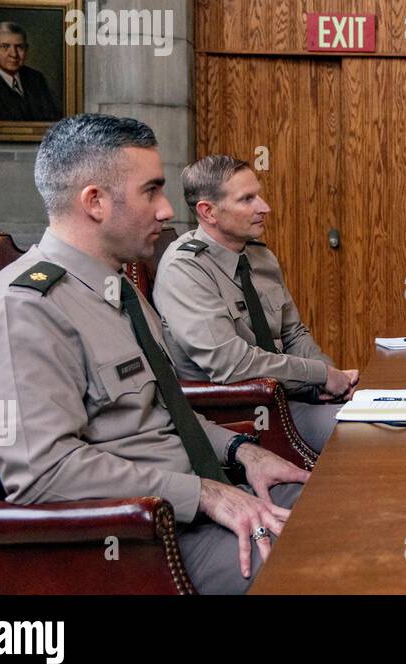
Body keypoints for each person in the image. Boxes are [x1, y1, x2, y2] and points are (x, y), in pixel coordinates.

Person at [0, 114, 309, 594]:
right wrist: (203, 494)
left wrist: (241, 450)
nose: (166, 211)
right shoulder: (23, 310)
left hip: (198, 499)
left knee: (346, 507)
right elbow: (44, 474)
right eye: (152, 191)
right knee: (329, 565)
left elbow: (166, 413)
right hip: (142, 541)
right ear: (95, 202)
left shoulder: (116, 287)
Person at [153, 155, 358, 453]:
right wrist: (321, 376)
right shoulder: (184, 269)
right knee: (368, 436)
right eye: (247, 199)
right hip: (239, 412)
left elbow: (293, 333)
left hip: (288, 397)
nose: (264, 207)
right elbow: (232, 365)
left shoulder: (259, 255)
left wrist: (330, 384)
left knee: (390, 422)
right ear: (208, 211)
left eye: (258, 195)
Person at [0, 21, 62, 121]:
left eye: (19, 47)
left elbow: (52, 122)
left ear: (26, 48)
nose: (14, 54)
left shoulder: (36, 78)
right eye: (5, 47)